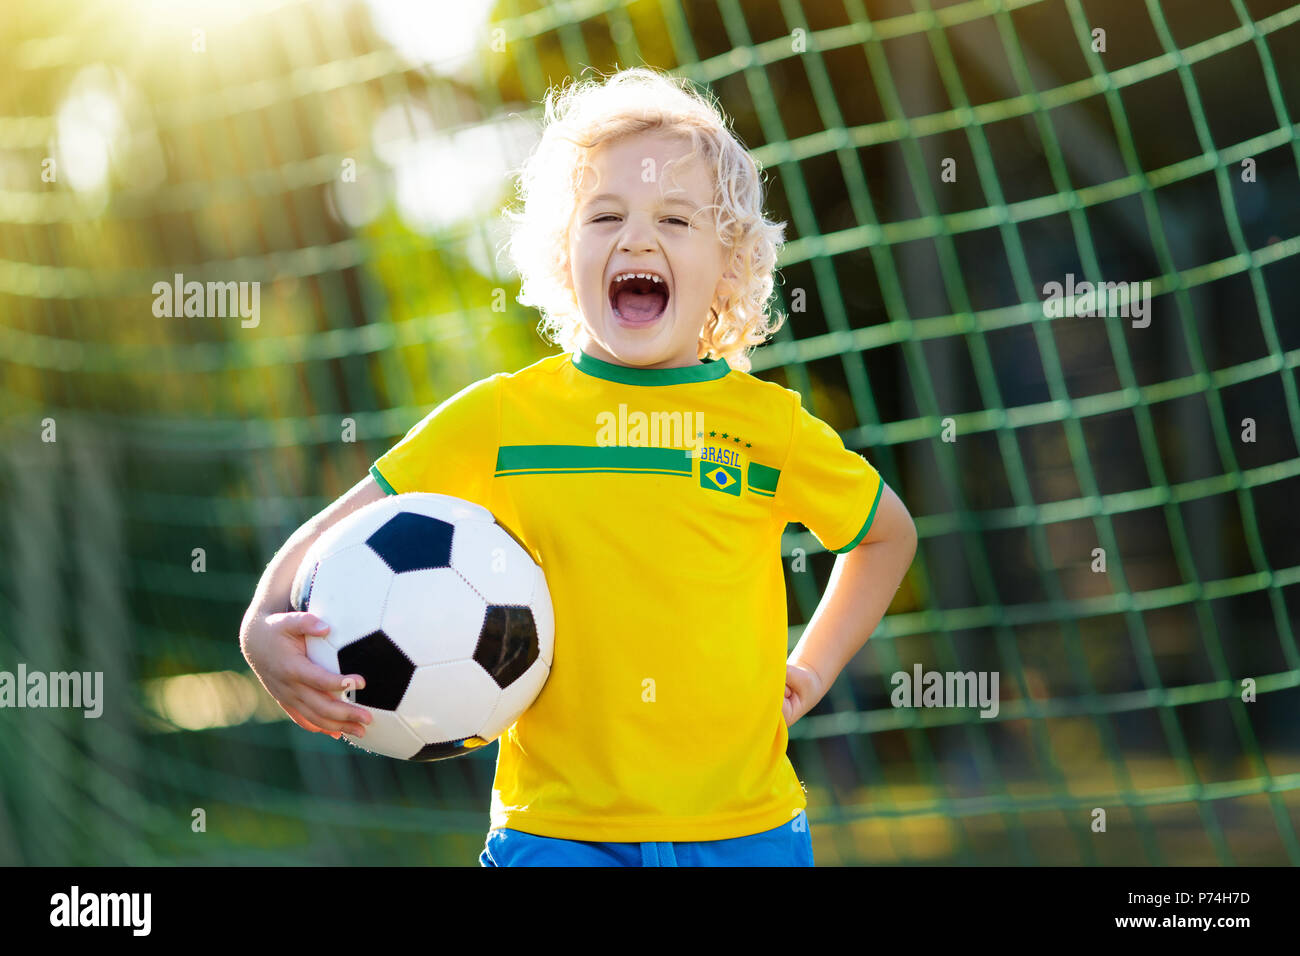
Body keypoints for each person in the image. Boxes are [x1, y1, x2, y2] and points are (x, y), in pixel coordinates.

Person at [240, 67, 917, 866]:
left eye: (675, 217)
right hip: (555, 835)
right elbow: (331, 534)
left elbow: (884, 536)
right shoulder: (501, 417)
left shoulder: (768, 428)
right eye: (605, 215)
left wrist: (811, 665)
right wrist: (260, 628)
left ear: (729, 265)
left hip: (747, 832)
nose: (637, 238)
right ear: (563, 253)